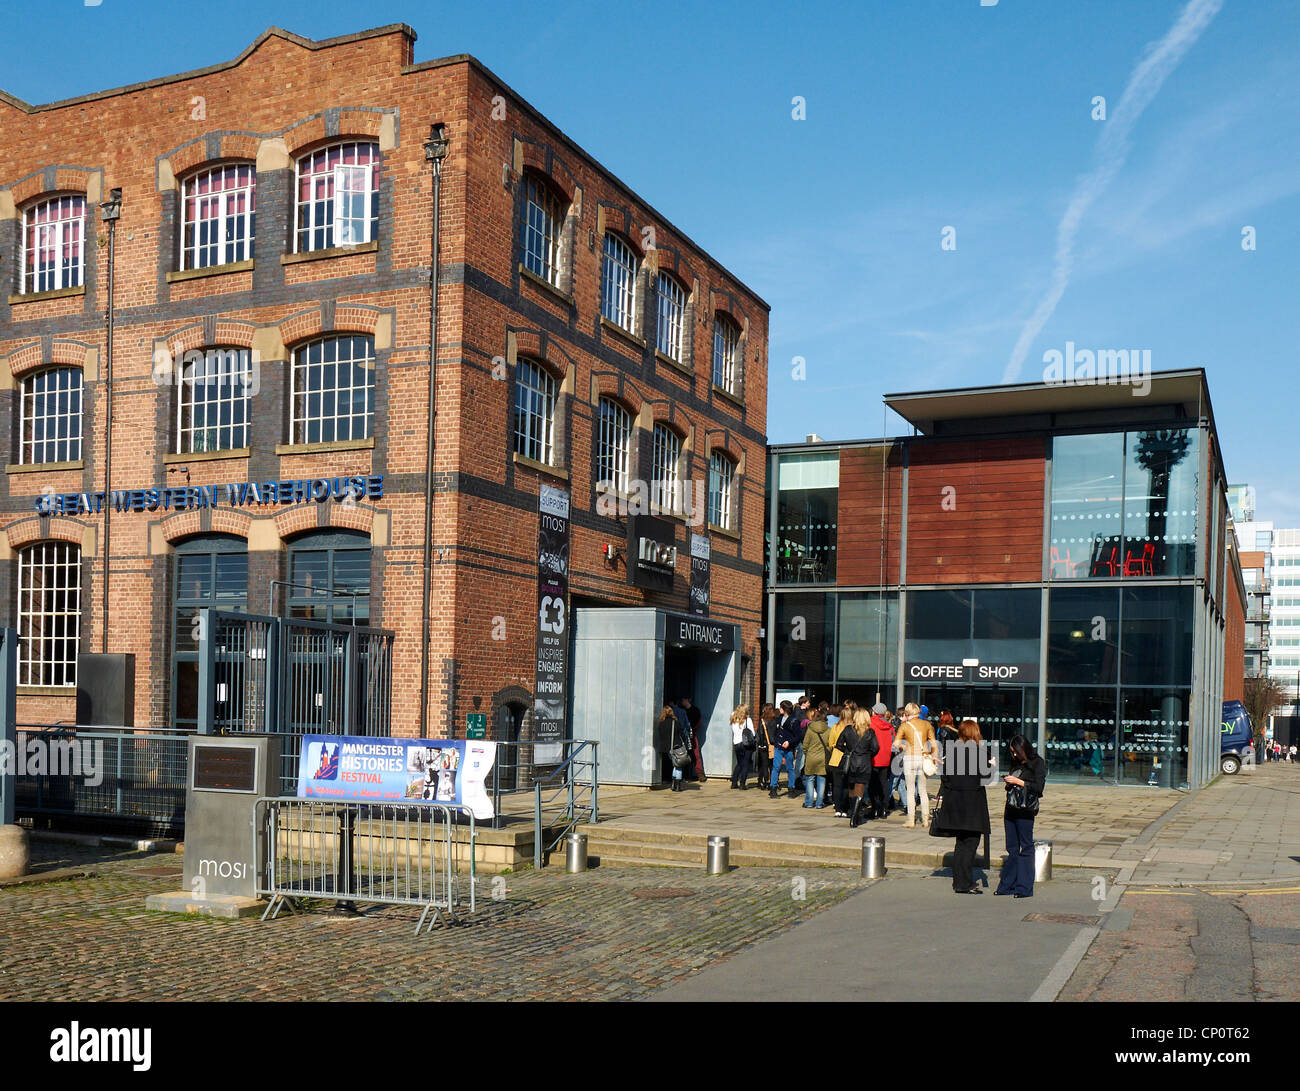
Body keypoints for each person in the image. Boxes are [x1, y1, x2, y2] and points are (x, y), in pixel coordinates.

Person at [938, 719, 992, 894]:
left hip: (955, 802)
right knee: (971, 842)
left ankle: (958, 880)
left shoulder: (952, 751)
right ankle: (965, 883)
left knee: (961, 842)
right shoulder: (979, 751)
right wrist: (992, 766)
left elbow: (945, 778)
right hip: (972, 803)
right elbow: (986, 777)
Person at [995, 733, 1048, 898]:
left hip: (1025, 809)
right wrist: (1009, 781)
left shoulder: (1038, 763)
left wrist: (1019, 782)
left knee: (1026, 846)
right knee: (1012, 848)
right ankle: (1007, 885)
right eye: (1012, 752)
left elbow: (1039, 788)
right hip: (1011, 807)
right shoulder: (1015, 762)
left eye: (1016, 751)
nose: (1014, 755)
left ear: (1023, 749)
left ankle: (1024, 887)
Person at [894, 702, 937, 828]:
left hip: (910, 758)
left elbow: (896, 744)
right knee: (923, 791)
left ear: (907, 713)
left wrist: (904, 746)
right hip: (923, 757)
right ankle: (925, 820)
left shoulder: (905, 726)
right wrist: (934, 757)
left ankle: (910, 820)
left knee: (910, 790)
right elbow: (934, 743)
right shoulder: (927, 724)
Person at [845, 708, 880, 828]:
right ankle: (856, 815)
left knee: (851, 789)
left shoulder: (848, 730)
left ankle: (854, 814)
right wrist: (867, 754)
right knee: (860, 789)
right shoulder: (870, 732)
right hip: (864, 762)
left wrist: (848, 752)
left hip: (851, 762)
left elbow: (839, 744)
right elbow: (876, 748)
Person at [866, 702, 894, 820]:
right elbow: (893, 741)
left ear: (874, 712)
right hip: (886, 757)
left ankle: (874, 808)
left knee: (872, 784)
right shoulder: (890, 725)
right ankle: (884, 809)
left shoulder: (870, 723)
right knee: (884, 783)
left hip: (873, 757)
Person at [770, 704, 800, 798]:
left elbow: (798, 736)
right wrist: (775, 741)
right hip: (778, 747)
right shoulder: (778, 718)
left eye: (781, 708)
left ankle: (791, 788)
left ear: (785, 709)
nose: (779, 709)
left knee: (790, 768)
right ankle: (773, 789)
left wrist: (789, 742)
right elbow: (775, 731)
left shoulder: (794, 720)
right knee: (776, 767)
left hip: (789, 748)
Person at [801, 711, 830, 808]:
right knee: (821, 780)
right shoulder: (828, 729)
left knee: (810, 779)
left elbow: (805, 745)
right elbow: (830, 745)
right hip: (823, 758)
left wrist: (807, 753)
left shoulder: (810, 729)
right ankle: (819, 803)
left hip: (811, 757)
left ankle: (809, 803)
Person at [826, 707, 850, 816]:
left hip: (836, 757)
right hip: (849, 758)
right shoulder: (853, 728)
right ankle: (845, 809)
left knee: (836, 785)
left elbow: (830, 743)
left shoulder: (835, 727)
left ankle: (837, 809)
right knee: (846, 785)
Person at [662, 704, 690, 791]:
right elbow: (682, 734)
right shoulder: (675, 722)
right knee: (678, 765)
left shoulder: (661, 724)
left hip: (667, 748)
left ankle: (673, 784)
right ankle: (677, 785)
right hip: (676, 746)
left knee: (675, 764)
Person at [731, 704, 756, 789]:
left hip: (736, 743)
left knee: (739, 763)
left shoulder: (733, 718)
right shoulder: (748, 720)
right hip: (746, 744)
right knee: (745, 764)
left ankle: (734, 783)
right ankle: (742, 784)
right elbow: (752, 733)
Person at [682, 697, 705, 783]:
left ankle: (699, 773)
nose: (682, 702)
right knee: (685, 754)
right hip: (686, 734)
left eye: (683, 700)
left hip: (691, 734)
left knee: (695, 754)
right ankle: (686, 775)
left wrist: (692, 729)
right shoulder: (683, 711)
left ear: (688, 700)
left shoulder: (694, 711)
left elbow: (698, 722)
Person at [755, 704, 777, 790]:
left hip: (763, 745)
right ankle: (772, 782)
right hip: (772, 745)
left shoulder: (762, 720)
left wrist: (760, 744)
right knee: (772, 765)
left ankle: (766, 782)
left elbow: (760, 733)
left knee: (764, 764)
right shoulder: (774, 720)